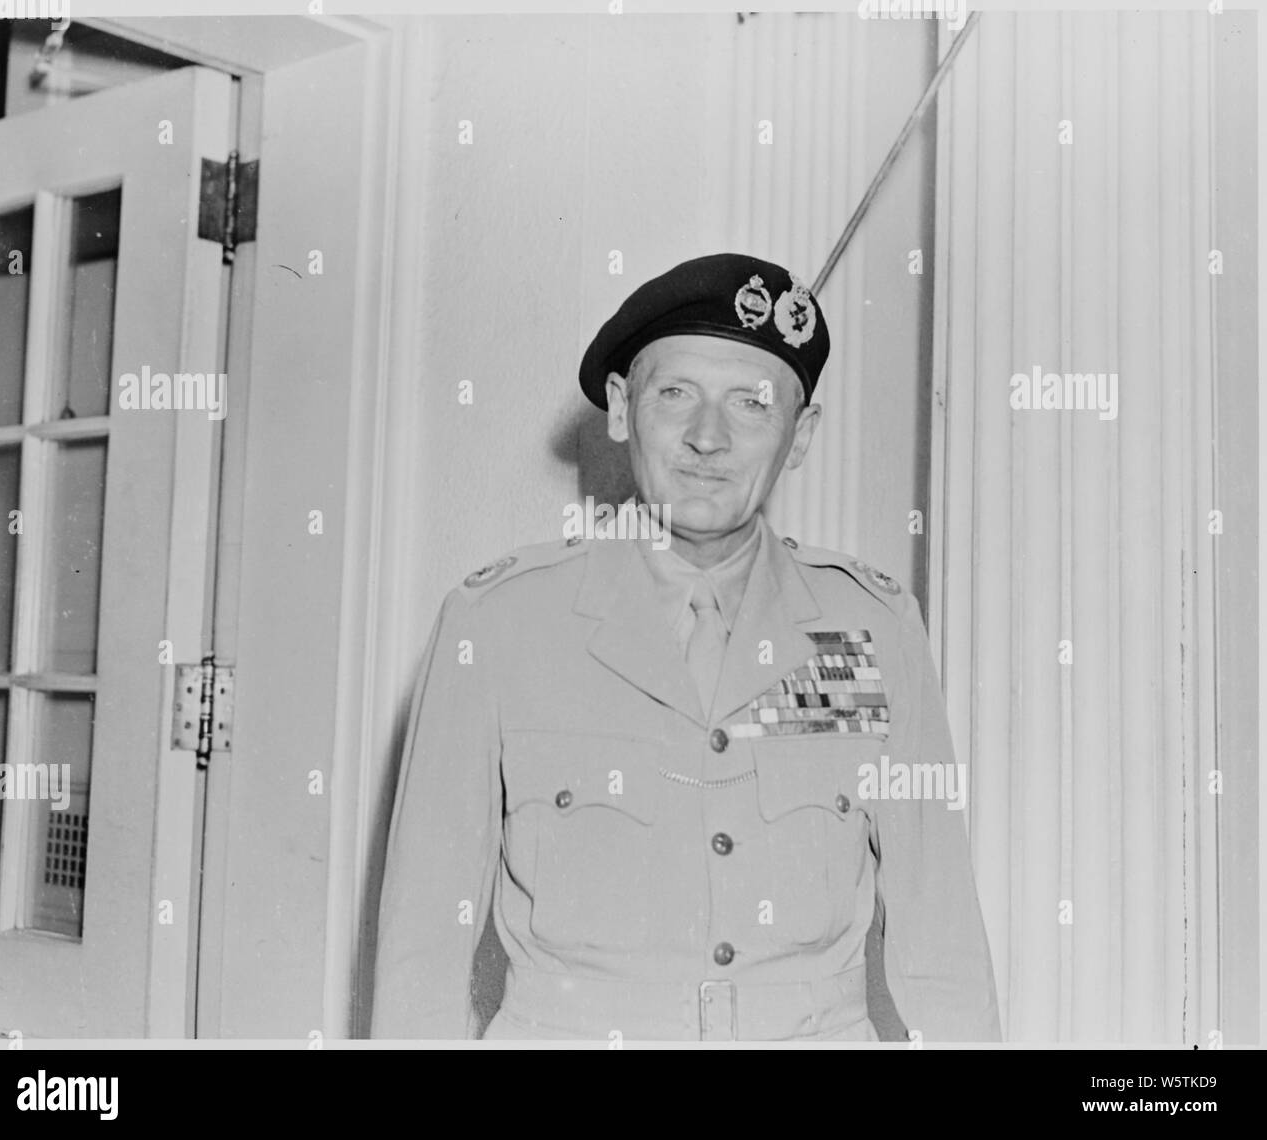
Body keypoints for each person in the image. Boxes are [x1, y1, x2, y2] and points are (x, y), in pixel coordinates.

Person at [372, 252, 1001, 1042]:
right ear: (620, 408)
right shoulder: (497, 624)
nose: (708, 437)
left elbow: (942, 947)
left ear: (800, 435)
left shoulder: (872, 629)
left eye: (752, 403)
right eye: (675, 394)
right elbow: (422, 953)